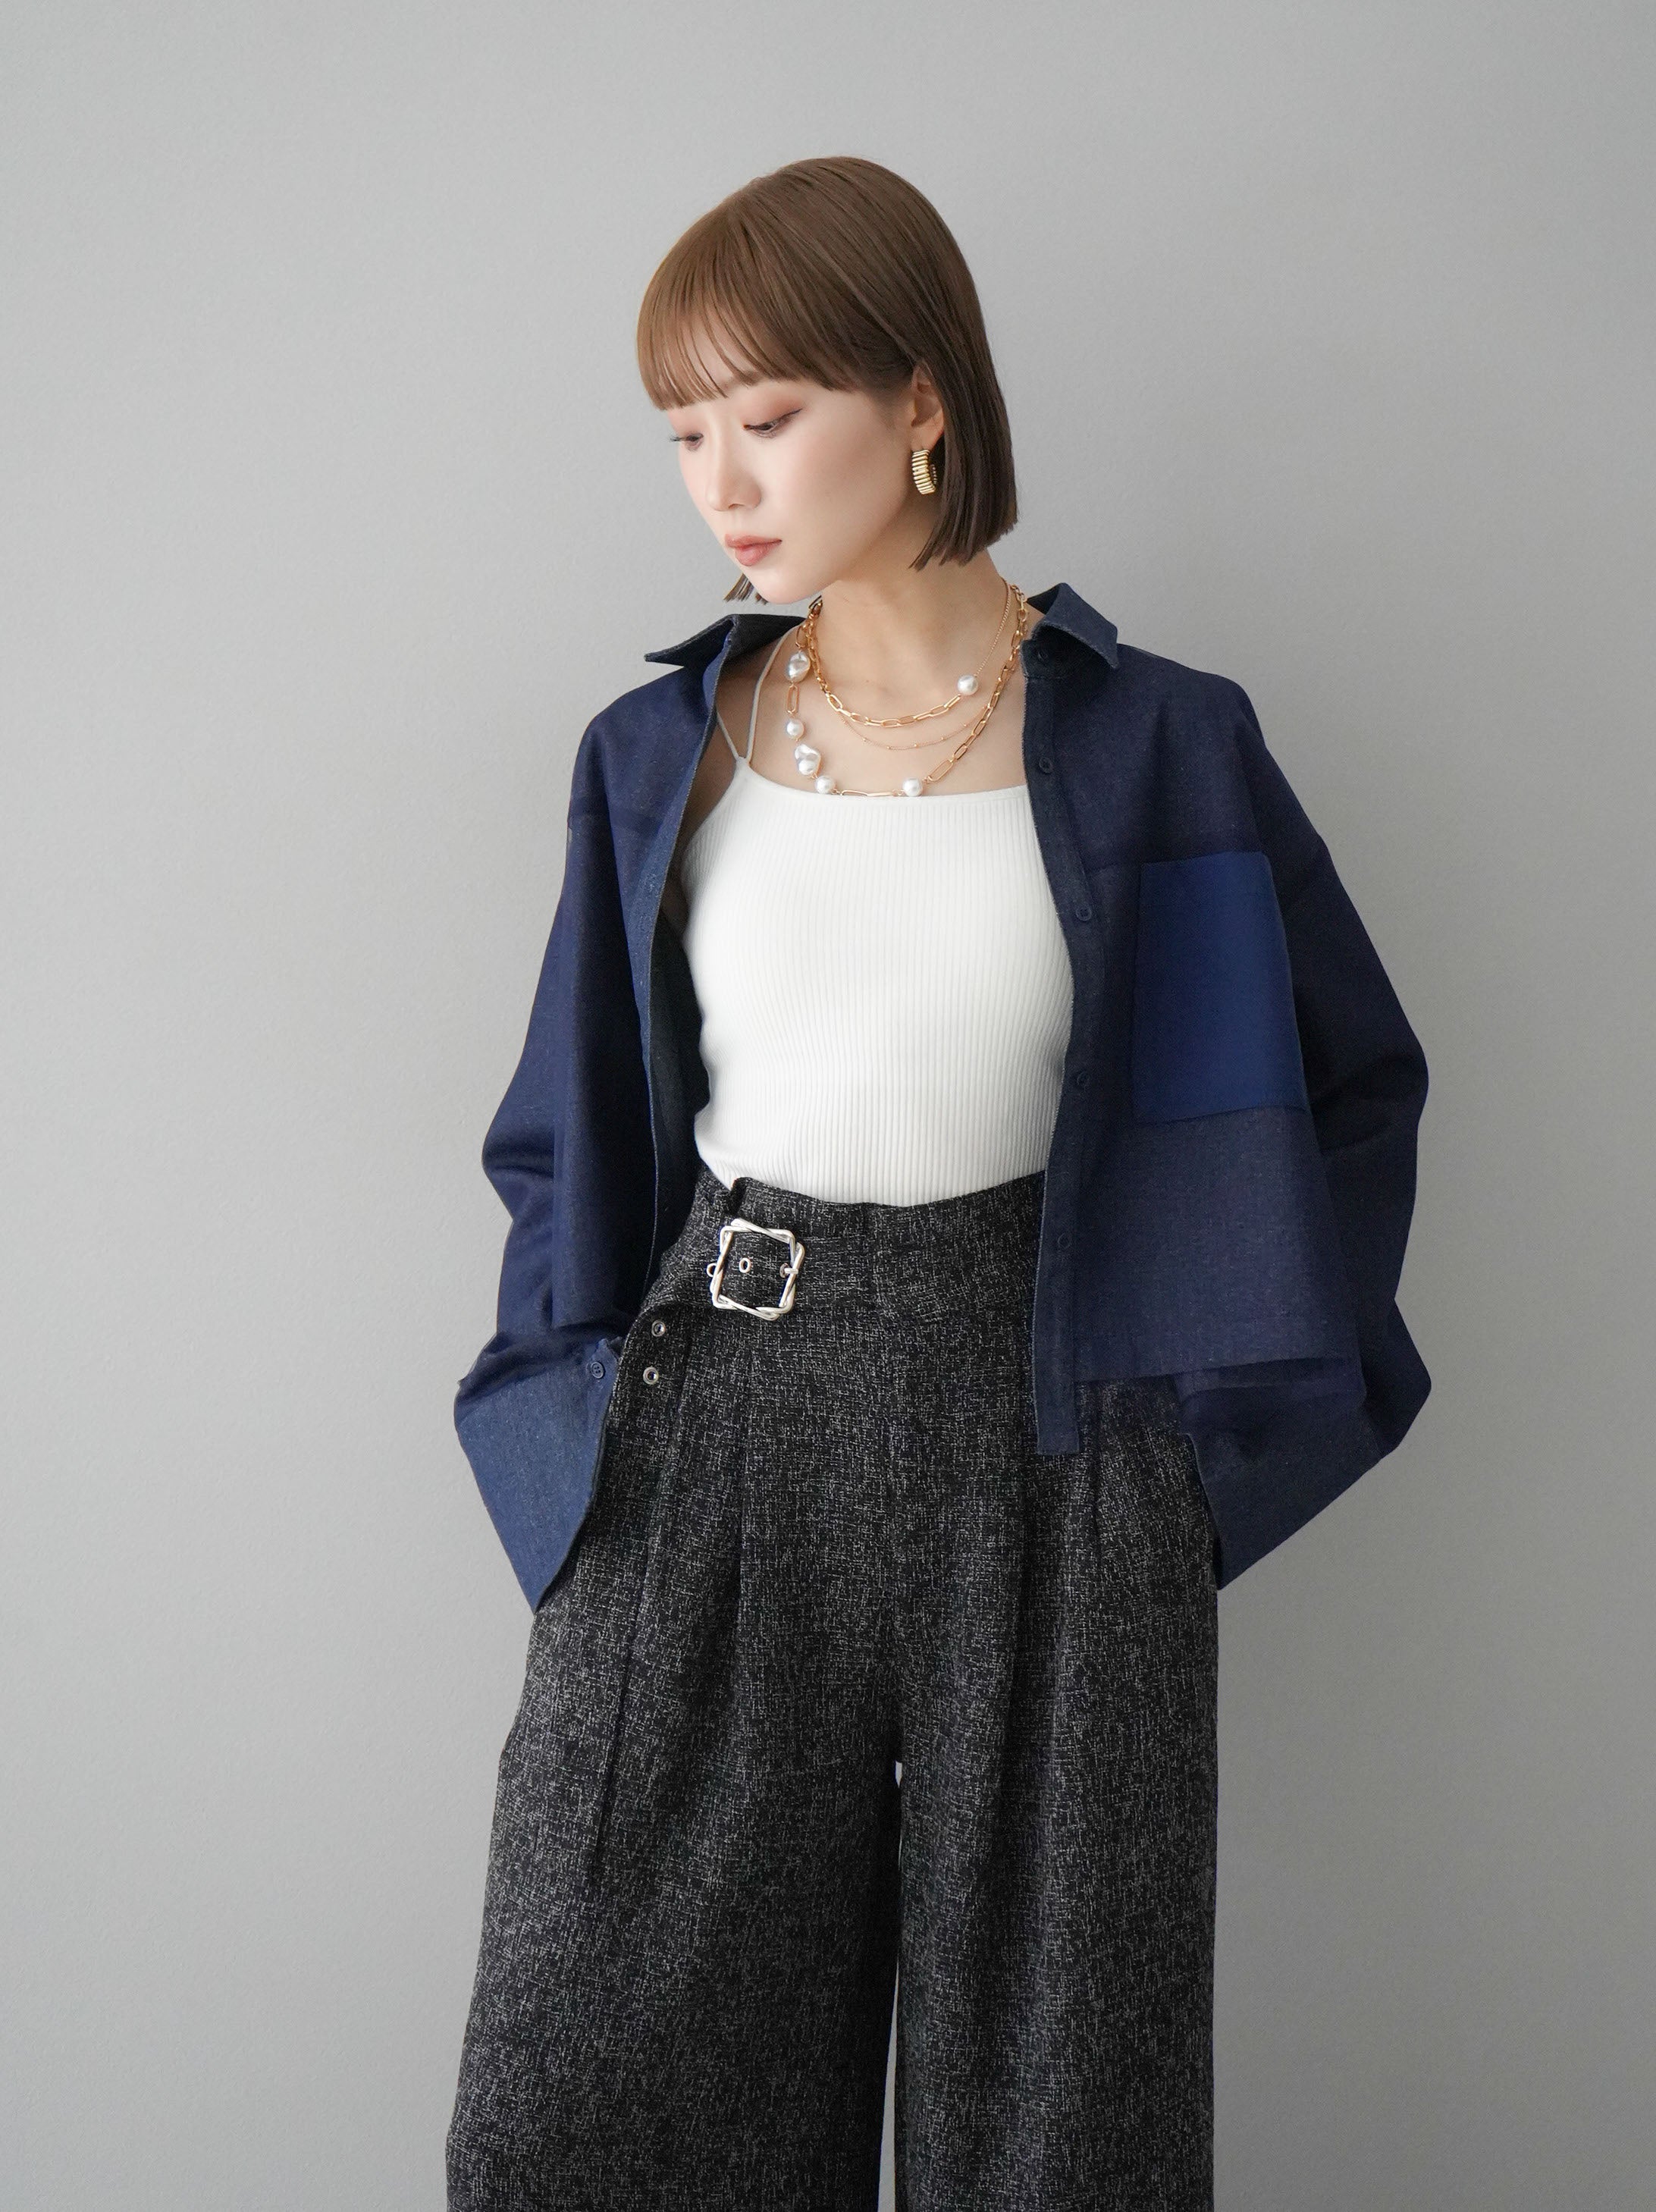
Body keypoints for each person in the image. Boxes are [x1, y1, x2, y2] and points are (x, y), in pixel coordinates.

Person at [444, 156, 1429, 2212]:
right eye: (684, 434)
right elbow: (564, 1137)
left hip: (1057, 1438)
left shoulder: (1165, 749)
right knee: (591, 2112)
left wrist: (1185, 1479)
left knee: (1061, 2138)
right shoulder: (660, 753)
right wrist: (567, 1442)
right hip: (717, 1423)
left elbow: (1349, 1093)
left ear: (921, 402)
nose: (722, 483)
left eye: (767, 414)